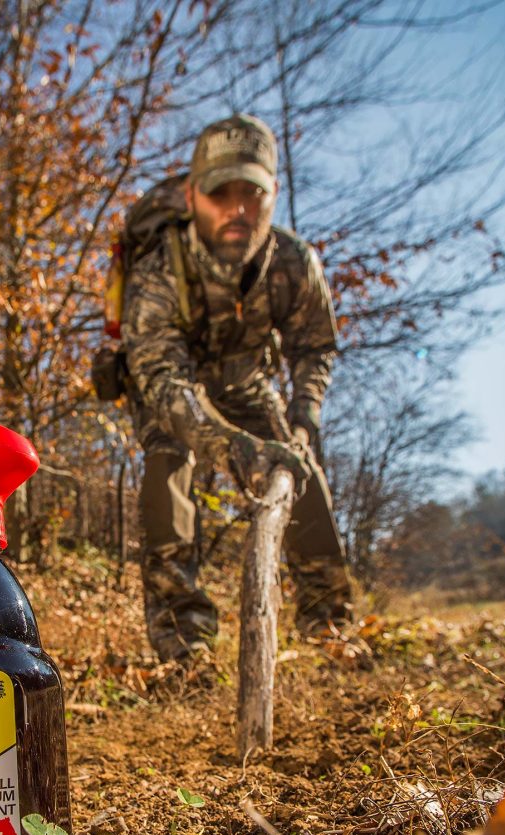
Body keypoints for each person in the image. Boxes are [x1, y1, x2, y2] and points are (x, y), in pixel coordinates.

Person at [121, 113, 352, 664]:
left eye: (252, 193)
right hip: (173, 391)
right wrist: (235, 450)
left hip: (246, 382)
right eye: (219, 194)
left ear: (273, 195)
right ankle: (184, 645)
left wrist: (303, 420)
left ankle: (329, 626)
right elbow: (164, 384)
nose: (237, 209)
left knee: (297, 467)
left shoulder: (293, 261)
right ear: (192, 196)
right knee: (167, 468)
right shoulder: (158, 272)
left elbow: (315, 347)